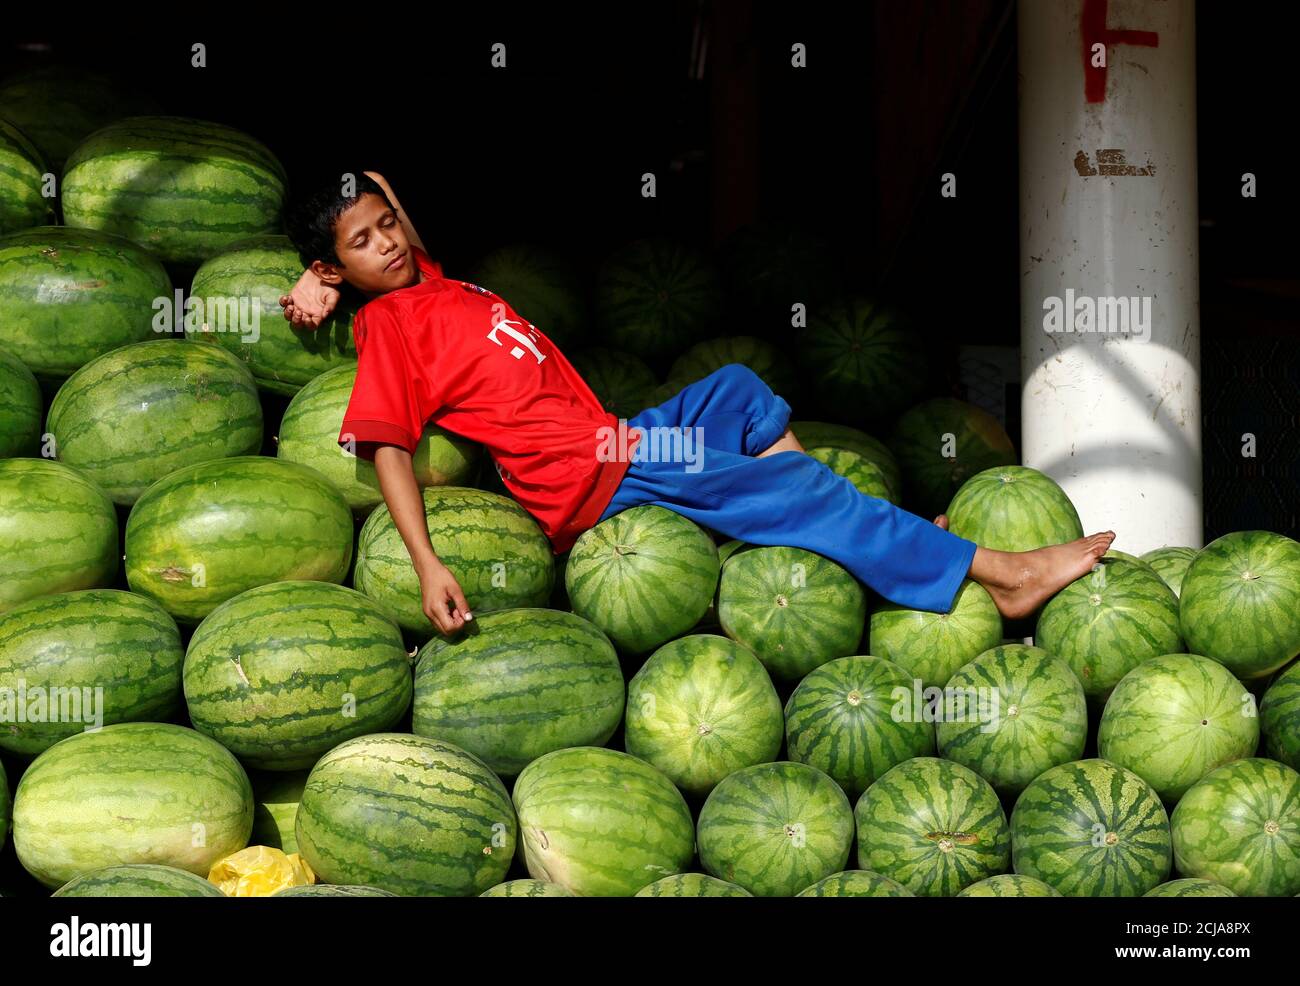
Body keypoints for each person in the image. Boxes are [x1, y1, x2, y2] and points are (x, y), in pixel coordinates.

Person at [282, 171, 1115, 637]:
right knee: (791, 490)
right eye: (362, 243)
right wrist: (427, 564)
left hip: (614, 437)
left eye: (386, 225)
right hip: (590, 472)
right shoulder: (389, 326)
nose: (386, 241)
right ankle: (999, 575)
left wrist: (324, 264)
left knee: (740, 392)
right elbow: (388, 447)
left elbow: (381, 179)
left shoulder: (424, 277)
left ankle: (855, 534)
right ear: (342, 268)